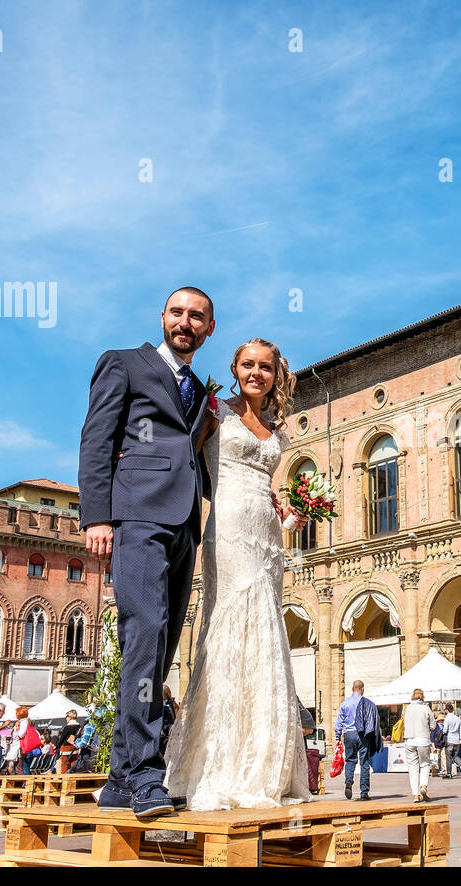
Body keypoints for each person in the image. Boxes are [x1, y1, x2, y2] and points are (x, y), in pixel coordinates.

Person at [79, 288, 219, 819]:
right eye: (178, 312)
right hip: (137, 515)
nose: (185, 322)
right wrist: (97, 515)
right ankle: (143, 773)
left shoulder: (200, 390)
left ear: (210, 328)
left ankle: (118, 778)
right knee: (145, 632)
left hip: (185, 521)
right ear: (162, 317)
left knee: (160, 647)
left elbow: (192, 452)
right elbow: (97, 438)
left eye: (197, 317)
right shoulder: (124, 363)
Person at [162, 337, 313, 812]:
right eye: (247, 364)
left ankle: (263, 765)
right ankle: (215, 766)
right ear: (235, 368)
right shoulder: (214, 409)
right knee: (227, 627)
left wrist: (288, 515)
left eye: (265, 367)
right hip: (226, 530)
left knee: (267, 634)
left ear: (275, 375)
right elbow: (185, 455)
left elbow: (266, 486)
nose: (256, 373)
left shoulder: (277, 429)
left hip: (268, 536)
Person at [333, 680, 381, 801]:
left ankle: (349, 781)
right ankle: (364, 793)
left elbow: (339, 722)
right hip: (363, 735)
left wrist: (338, 737)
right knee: (364, 762)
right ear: (362, 689)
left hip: (349, 734)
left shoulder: (345, 704)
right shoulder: (368, 704)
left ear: (352, 689)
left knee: (350, 760)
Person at [403, 689, 434, 803]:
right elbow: (433, 726)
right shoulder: (426, 709)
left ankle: (415, 795)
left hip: (409, 741)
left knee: (413, 768)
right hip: (423, 740)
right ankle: (423, 786)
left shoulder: (407, 709)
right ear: (422, 697)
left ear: (413, 697)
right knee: (425, 764)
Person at [442, 703, 461, 779]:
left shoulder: (447, 718)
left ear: (447, 710)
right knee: (455, 756)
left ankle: (449, 773)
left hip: (449, 740)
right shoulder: (457, 718)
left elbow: (445, 730)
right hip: (456, 740)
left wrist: (442, 732)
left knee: (448, 757)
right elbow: (460, 730)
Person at [57, 710, 83, 774]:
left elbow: (62, 738)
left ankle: (64, 779)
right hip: (74, 746)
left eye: (67, 716)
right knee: (74, 764)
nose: (66, 718)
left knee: (64, 765)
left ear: (70, 717)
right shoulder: (79, 726)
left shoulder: (67, 727)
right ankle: (74, 778)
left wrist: (58, 746)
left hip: (65, 747)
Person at [159, 686, 178, 757]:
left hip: (163, 738)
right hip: (167, 737)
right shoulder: (170, 705)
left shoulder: (165, 707)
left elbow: (167, 724)